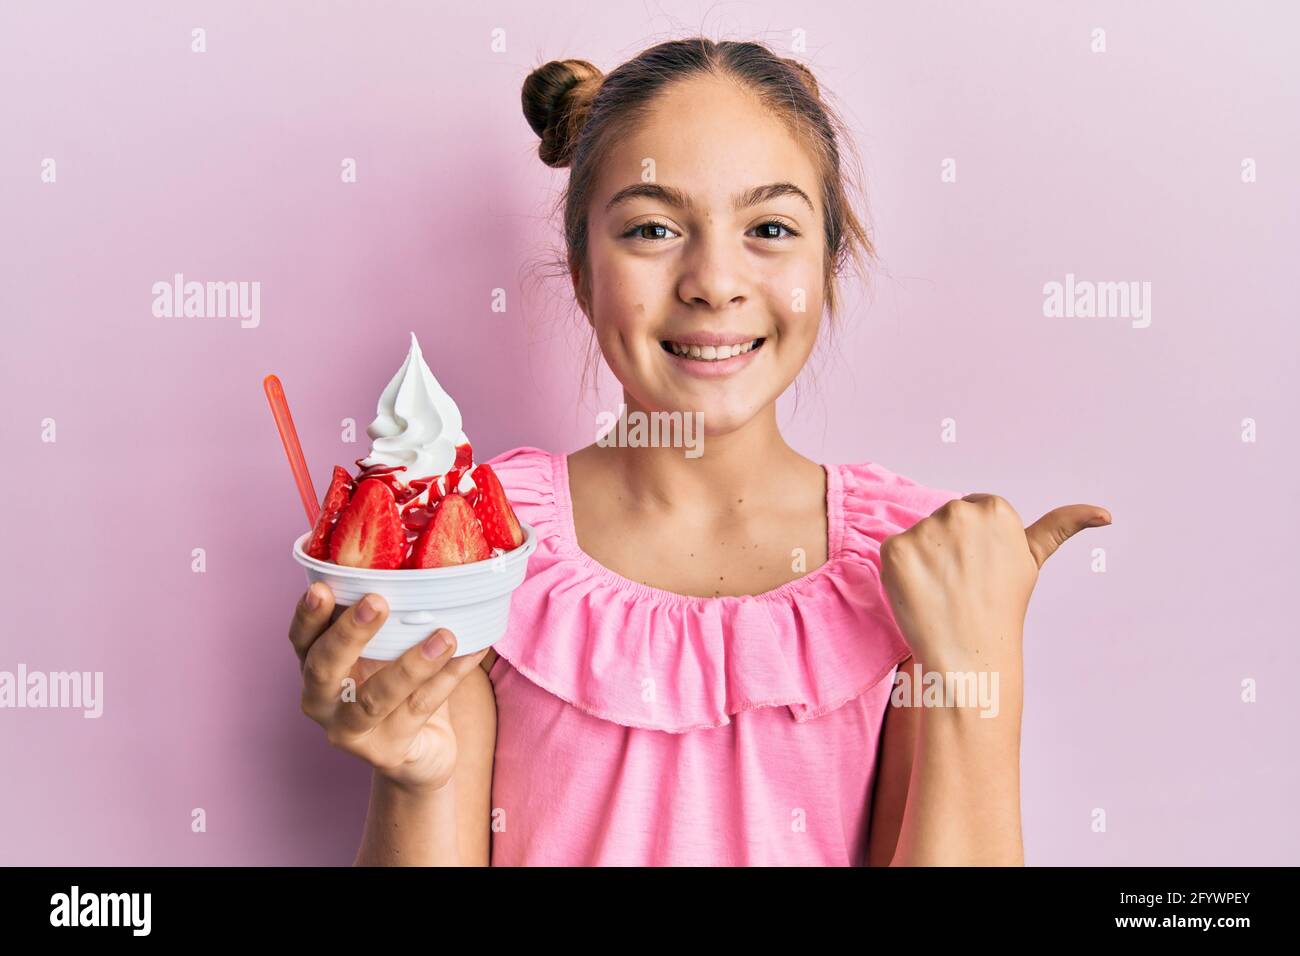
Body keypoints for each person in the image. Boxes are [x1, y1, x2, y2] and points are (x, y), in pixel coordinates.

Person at [288, 37, 1110, 866]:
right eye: (652, 228)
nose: (714, 281)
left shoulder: (919, 561)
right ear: (582, 272)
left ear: (827, 266)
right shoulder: (481, 539)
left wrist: (979, 677)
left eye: (770, 228)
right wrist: (416, 780)